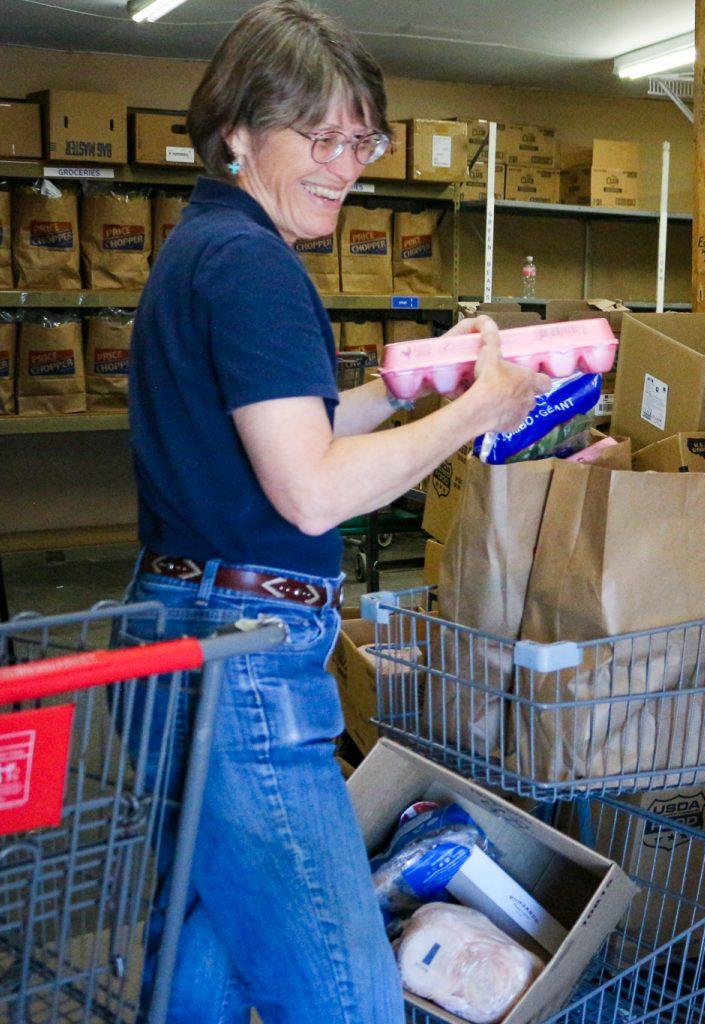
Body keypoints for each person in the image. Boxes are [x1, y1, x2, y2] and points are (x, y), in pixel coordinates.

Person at [122, 3, 548, 1021]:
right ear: (237, 130)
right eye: (320, 137)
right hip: (246, 662)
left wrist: (415, 384)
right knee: (346, 993)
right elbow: (311, 484)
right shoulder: (258, 267)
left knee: (206, 963)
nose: (345, 163)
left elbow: (282, 430)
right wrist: (478, 414)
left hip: (175, 633)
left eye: (362, 140)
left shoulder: (205, 246)